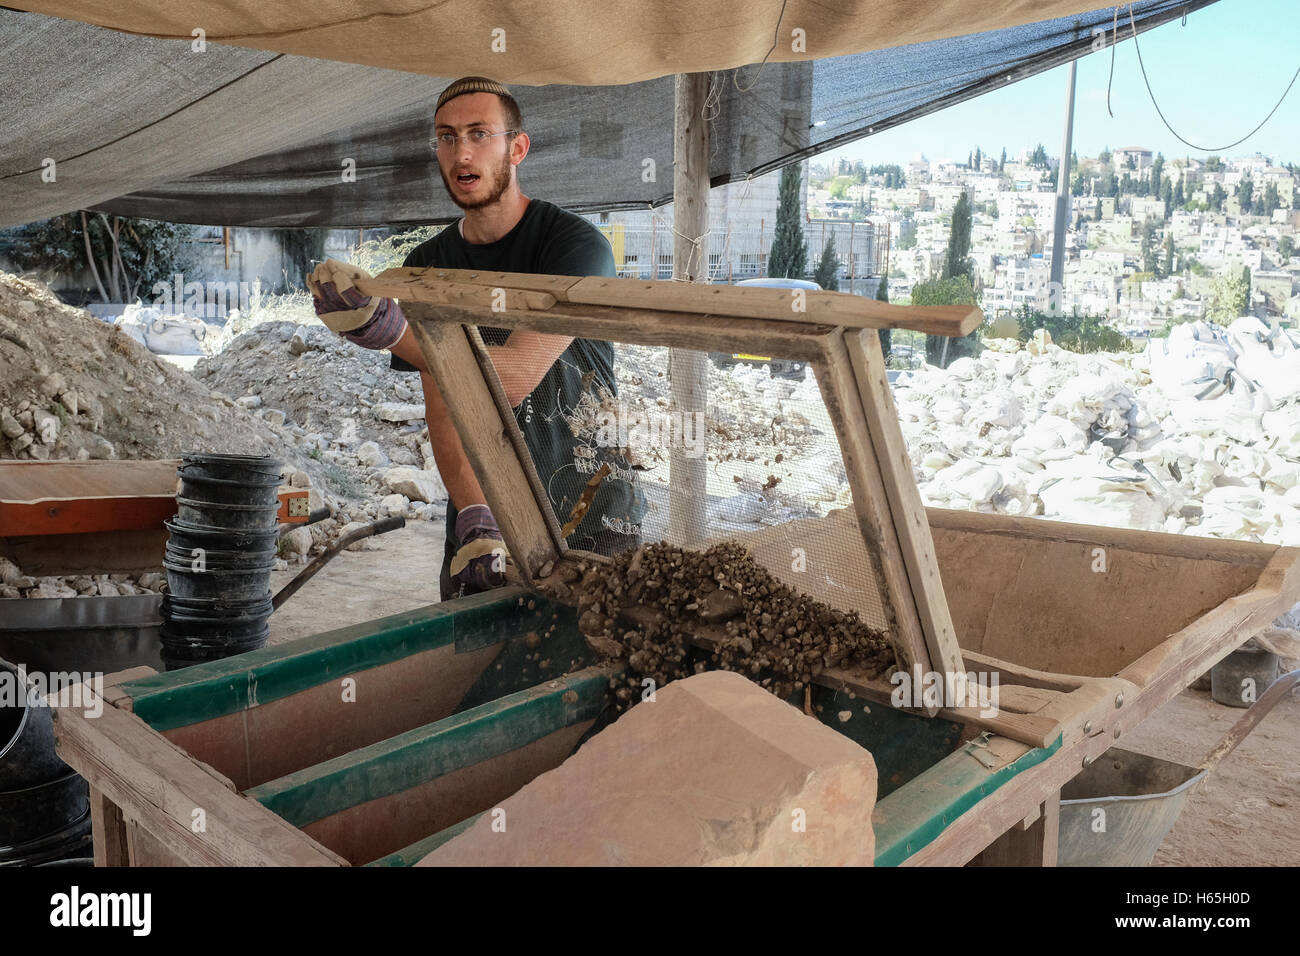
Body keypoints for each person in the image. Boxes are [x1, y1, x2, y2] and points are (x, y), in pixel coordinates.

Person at [308, 76, 644, 601]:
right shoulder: (427, 266)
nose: (461, 152)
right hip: (487, 511)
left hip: (592, 505)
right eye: (446, 137)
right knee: (478, 677)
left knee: (588, 672)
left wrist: (390, 331)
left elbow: (512, 378)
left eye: (479, 133)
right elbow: (445, 406)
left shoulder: (575, 247)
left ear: (517, 147)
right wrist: (475, 516)